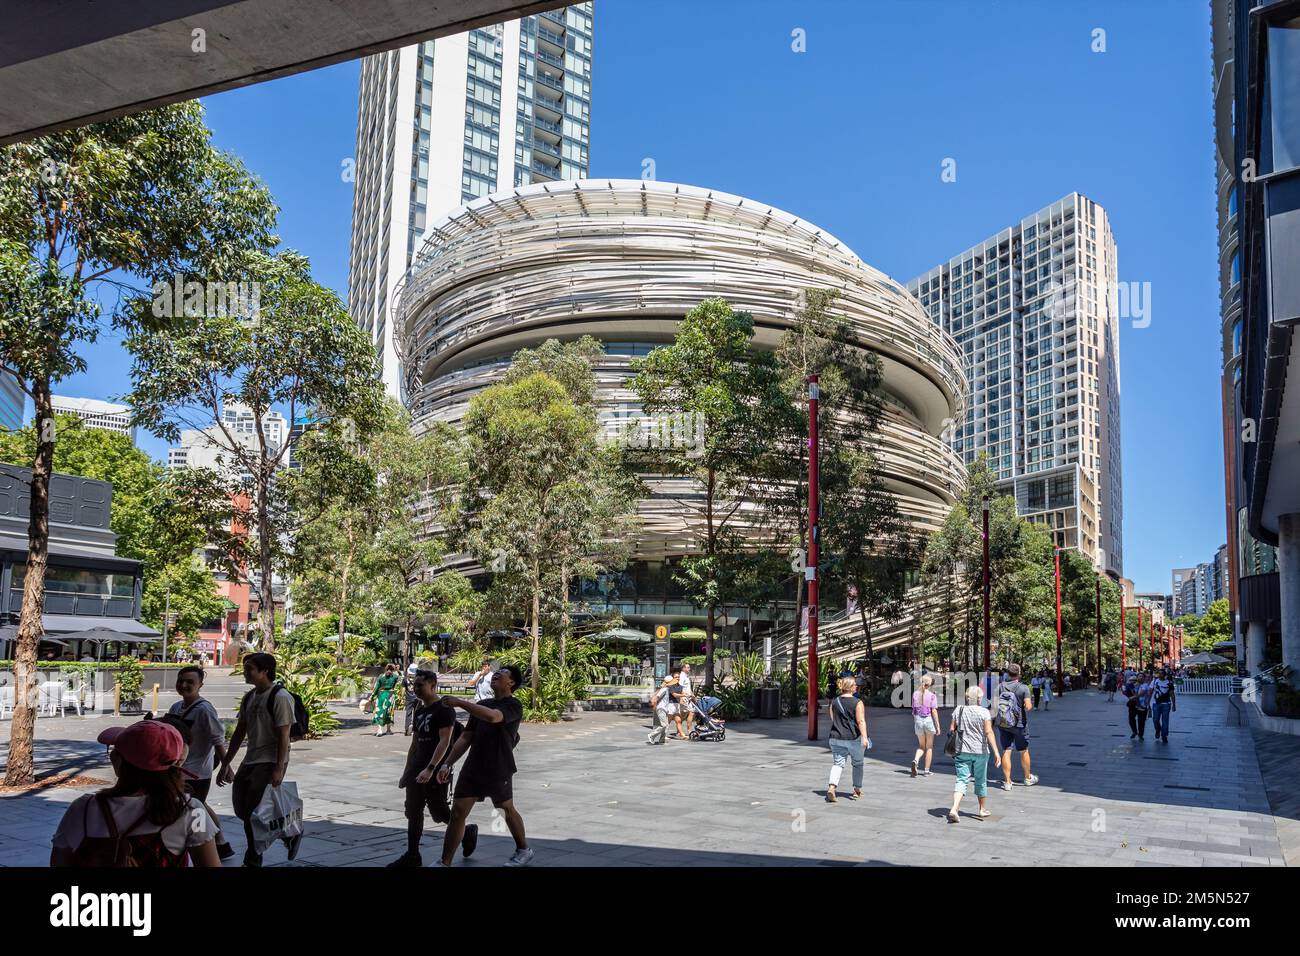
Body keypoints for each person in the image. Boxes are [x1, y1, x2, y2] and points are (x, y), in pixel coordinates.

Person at [51, 720, 221, 867]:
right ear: (176, 766)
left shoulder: (84, 809)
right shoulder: (191, 811)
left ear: (117, 761)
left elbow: (59, 862)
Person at [436, 664, 532, 867]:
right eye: (496, 672)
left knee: (505, 808)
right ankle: (444, 862)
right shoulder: (484, 702)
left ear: (511, 683)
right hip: (473, 766)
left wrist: (460, 702)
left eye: (503, 673)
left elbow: (493, 717)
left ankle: (523, 849)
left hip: (499, 766)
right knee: (458, 813)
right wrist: (447, 764)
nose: (496, 674)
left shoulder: (513, 705)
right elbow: (465, 738)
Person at [215, 652, 302, 867]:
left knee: (253, 811)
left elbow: (284, 736)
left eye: (249, 669)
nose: (245, 672)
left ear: (264, 671)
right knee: (242, 809)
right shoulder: (250, 697)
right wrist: (225, 763)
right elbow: (239, 733)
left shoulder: (280, 697)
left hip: (270, 760)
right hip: (251, 758)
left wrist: (279, 768)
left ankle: (253, 859)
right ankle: (287, 834)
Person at [389, 670, 461, 867]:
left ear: (433, 685)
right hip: (417, 767)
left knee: (439, 811)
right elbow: (415, 743)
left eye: (420, 685)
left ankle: (466, 831)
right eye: (415, 685)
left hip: (436, 769)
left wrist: (432, 768)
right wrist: (407, 771)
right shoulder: (420, 710)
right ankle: (413, 855)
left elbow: (445, 741)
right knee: (413, 809)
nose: (416, 689)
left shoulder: (444, 710)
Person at [167, 666, 234, 860]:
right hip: (179, 768)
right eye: (181, 680)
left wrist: (226, 767)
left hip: (197, 771)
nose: (184, 685)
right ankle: (220, 843)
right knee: (199, 805)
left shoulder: (205, 709)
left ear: (200, 685)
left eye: (190, 682)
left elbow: (218, 740)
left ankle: (202, 845)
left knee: (194, 808)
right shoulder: (176, 707)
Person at [947, 685, 1002, 823]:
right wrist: (996, 752)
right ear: (979, 698)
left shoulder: (958, 709)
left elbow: (951, 729)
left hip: (961, 750)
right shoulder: (984, 712)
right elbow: (988, 732)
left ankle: (954, 808)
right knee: (980, 780)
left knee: (961, 779)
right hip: (980, 751)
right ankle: (982, 809)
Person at [991, 663, 1038, 791]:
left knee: (1006, 750)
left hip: (1003, 723)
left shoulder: (999, 687)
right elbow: (1028, 707)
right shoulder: (1023, 688)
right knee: (1023, 750)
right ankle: (1027, 778)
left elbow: (994, 705)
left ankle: (1007, 782)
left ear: (1007, 673)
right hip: (1019, 724)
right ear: (1019, 673)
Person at [826, 675, 868, 803]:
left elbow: (833, 718)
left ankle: (832, 787)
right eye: (855, 684)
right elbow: (861, 721)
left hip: (836, 737)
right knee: (858, 763)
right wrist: (865, 737)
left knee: (838, 763)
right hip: (853, 738)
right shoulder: (857, 702)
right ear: (850, 687)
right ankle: (856, 790)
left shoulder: (835, 701)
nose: (856, 686)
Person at [910, 673, 940, 777]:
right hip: (927, 720)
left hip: (918, 720)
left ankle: (916, 760)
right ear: (929, 684)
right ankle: (926, 771)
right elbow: (934, 711)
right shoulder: (932, 695)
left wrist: (916, 722)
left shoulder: (915, 694)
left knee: (921, 746)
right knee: (929, 747)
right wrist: (938, 726)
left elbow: (913, 711)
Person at [647, 672, 679, 745]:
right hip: (661, 708)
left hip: (664, 709)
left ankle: (662, 740)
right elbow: (657, 698)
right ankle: (652, 735)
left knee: (666, 725)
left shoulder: (667, 689)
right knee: (664, 725)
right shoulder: (664, 689)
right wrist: (655, 706)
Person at [1126, 670, 1153, 740]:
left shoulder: (1146, 685)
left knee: (1141, 721)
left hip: (1142, 705)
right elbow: (1127, 691)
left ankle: (1140, 734)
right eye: (1139, 676)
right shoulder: (1133, 684)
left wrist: (1134, 696)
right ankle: (1134, 731)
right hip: (1133, 704)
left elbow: (1142, 693)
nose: (1140, 678)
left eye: (1142, 677)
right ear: (1137, 677)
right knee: (1131, 719)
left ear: (1144, 678)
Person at [677, 662, 695, 736]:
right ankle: (679, 731)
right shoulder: (681, 676)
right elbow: (680, 687)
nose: (689, 669)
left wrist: (693, 695)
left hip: (689, 697)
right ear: (683, 668)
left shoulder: (686, 676)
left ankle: (689, 730)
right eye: (687, 667)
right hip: (684, 698)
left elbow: (687, 687)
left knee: (692, 712)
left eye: (689, 667)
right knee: (682, 714)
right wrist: (681, 697)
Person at [403, 662, 420, 736]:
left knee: (408, 713)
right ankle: (416, 728)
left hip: (408, 698)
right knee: (417, 713)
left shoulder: (405, 679)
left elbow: (403, 690)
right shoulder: (418, 679)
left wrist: (403, 698)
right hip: (417, 698)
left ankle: (407, 728)